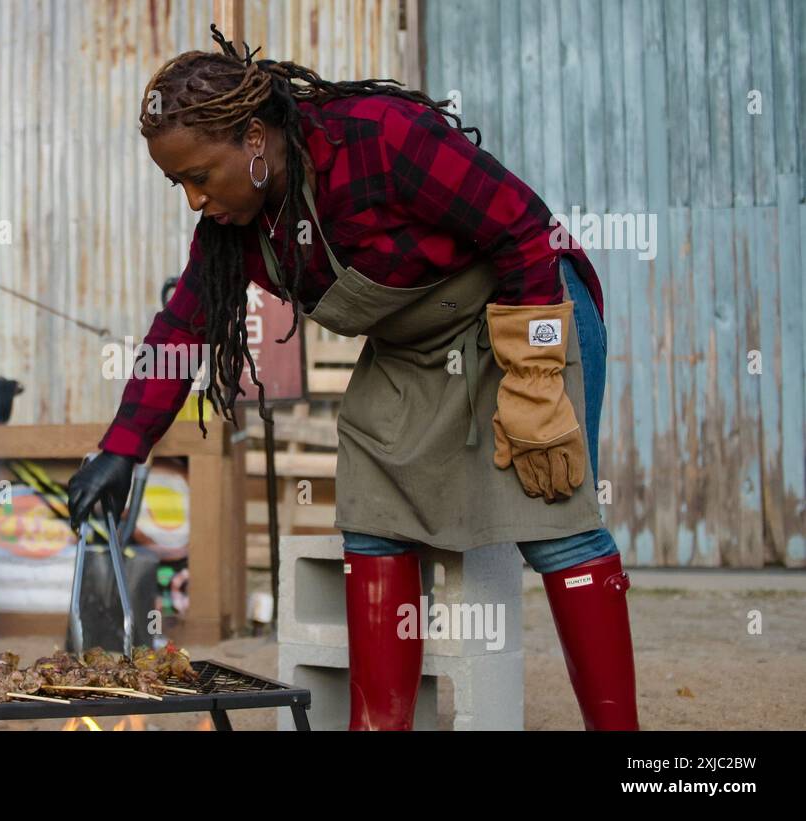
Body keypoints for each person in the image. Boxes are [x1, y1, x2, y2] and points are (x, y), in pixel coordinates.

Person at [68, 26, 637, 731]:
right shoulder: (234, 227)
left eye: (198, 176)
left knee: (557, 522)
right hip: (411, 348)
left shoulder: (380, 138)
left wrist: (535, 376)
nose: (191, 200)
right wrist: (123, 446)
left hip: (518, 310)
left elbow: (525, 231)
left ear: (251, 138)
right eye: (175, 182)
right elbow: (183, 325)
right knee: (371, 518)